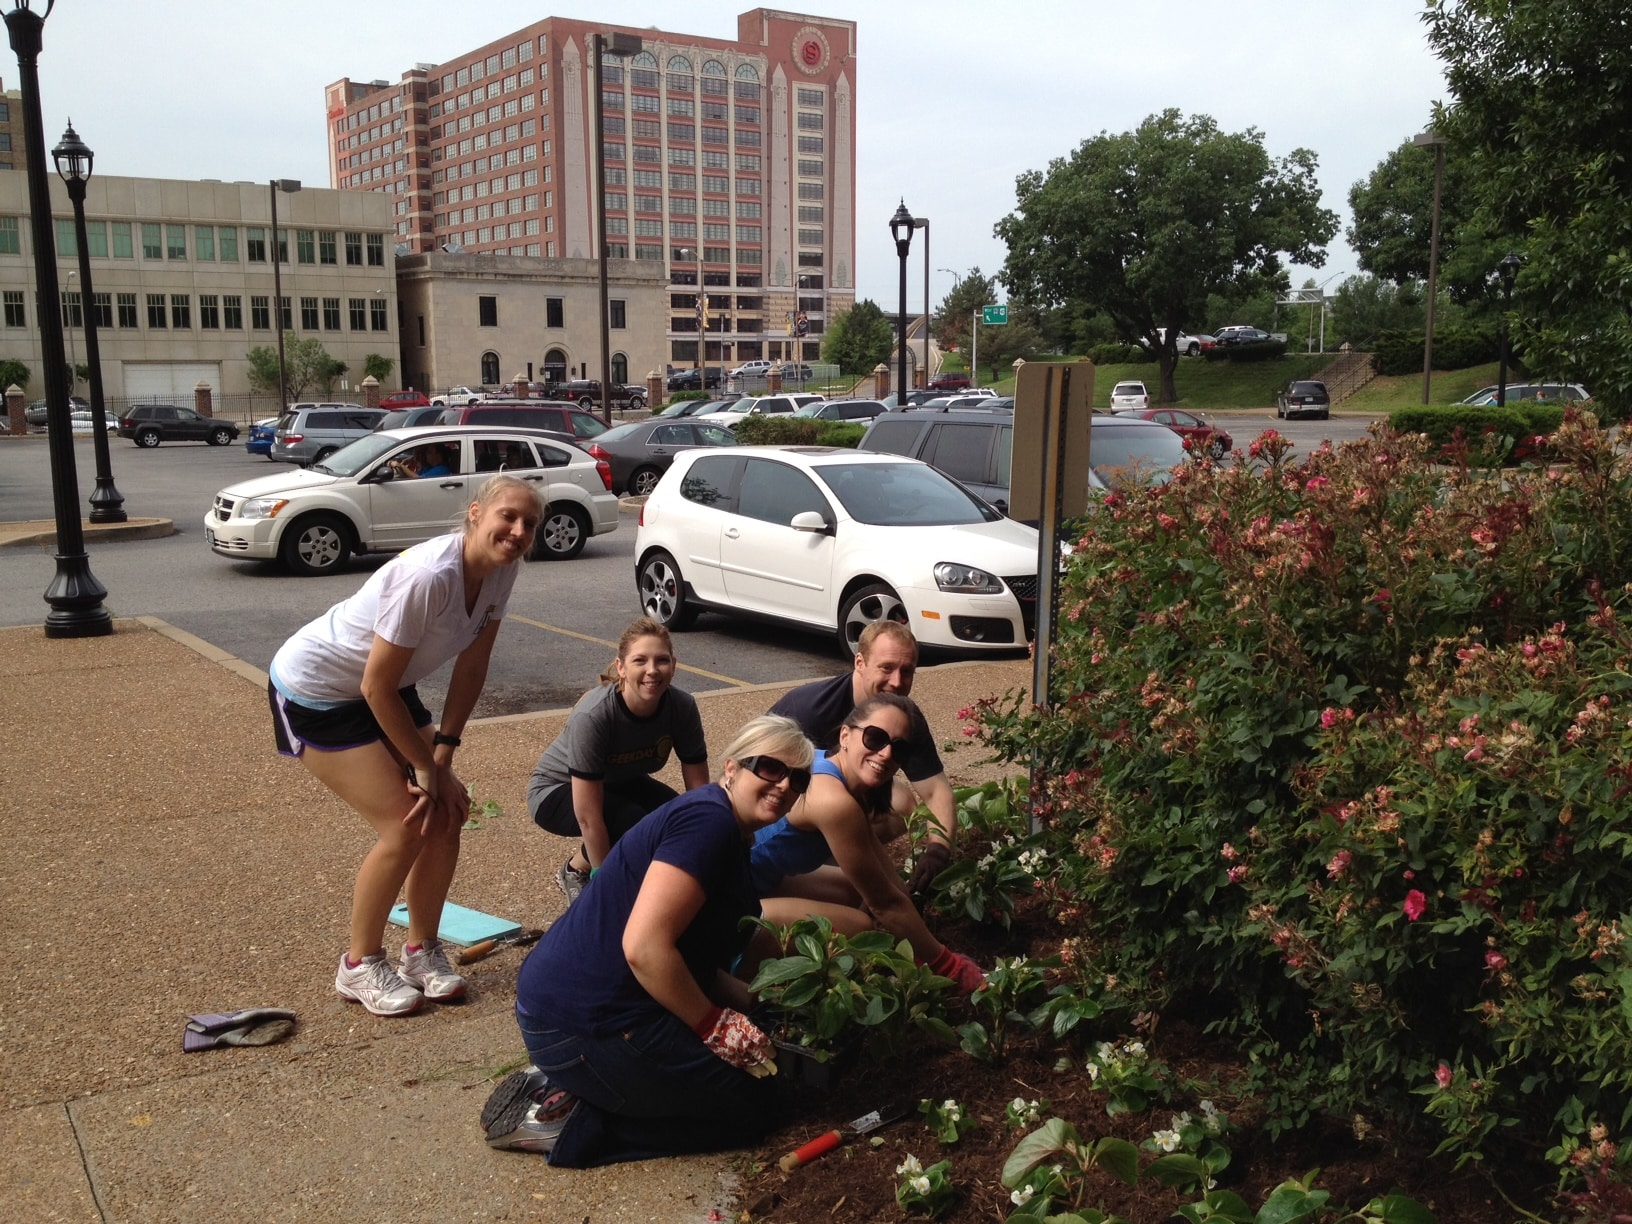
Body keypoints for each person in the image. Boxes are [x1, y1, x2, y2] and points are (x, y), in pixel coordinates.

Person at [267, 475, 544, 1017]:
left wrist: (443, 755)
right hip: (319, 692)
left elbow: (473, 664)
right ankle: (358, 965)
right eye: (506, 516)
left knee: (449, 810)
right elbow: (371, 686)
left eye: (528, 523)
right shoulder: (427, 576)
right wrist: (420, 764)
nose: (517, 531)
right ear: (474, 513)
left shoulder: (500, 571)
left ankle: (420, 951)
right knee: (406, 823)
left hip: (385, 687)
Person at [484, 715, 816, 1164]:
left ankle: (585, 1083)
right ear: (733, 768)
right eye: (770, 768)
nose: (784, 785)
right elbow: (645, 948)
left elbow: (689, 954)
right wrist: (714, 1025)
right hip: (585, 1020)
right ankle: (570, 1125)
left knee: (762, 1071)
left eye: (798, 778)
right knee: (753, 1107)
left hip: (589, 1006)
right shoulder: (709, 824)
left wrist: (755, 1005)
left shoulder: (725, 828)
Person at [751, 692, 986, 995]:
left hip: (757, 877)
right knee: (861, 928)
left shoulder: (835, 769)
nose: (886, 753)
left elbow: (887, 880)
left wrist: (919, 933)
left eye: (898, 748)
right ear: (846, 735)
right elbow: (884, 903)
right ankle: (761, 983)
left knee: (852, 890)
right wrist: (948, 965)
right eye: (875, 738)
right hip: (723, 904)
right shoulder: (833, 800)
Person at [528, 618, 710, 904]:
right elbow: (589, 817)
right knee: (634, 824)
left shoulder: (682, 707)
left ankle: (588, 865)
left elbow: (699, 793)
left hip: (619, 782)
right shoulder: (595, 715)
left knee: (676, 819)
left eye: (661, 660)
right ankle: (579, 871)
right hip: (556, 791)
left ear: (674, 665)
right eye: (640, 660)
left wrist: (713, 842)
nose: (652, 670)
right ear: (621, 667)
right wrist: (606, 885)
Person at [768, 622, 957, 895]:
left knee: (902, 803)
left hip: (835, 806)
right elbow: (755, 782)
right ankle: (810, 872)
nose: (896, 681)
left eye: (907, 671)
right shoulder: (810, 712)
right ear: (860, 662)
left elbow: (936, 790)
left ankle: (841, 865)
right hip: (778, 817)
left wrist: (938, 850)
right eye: (886, 667)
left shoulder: (903, 716)